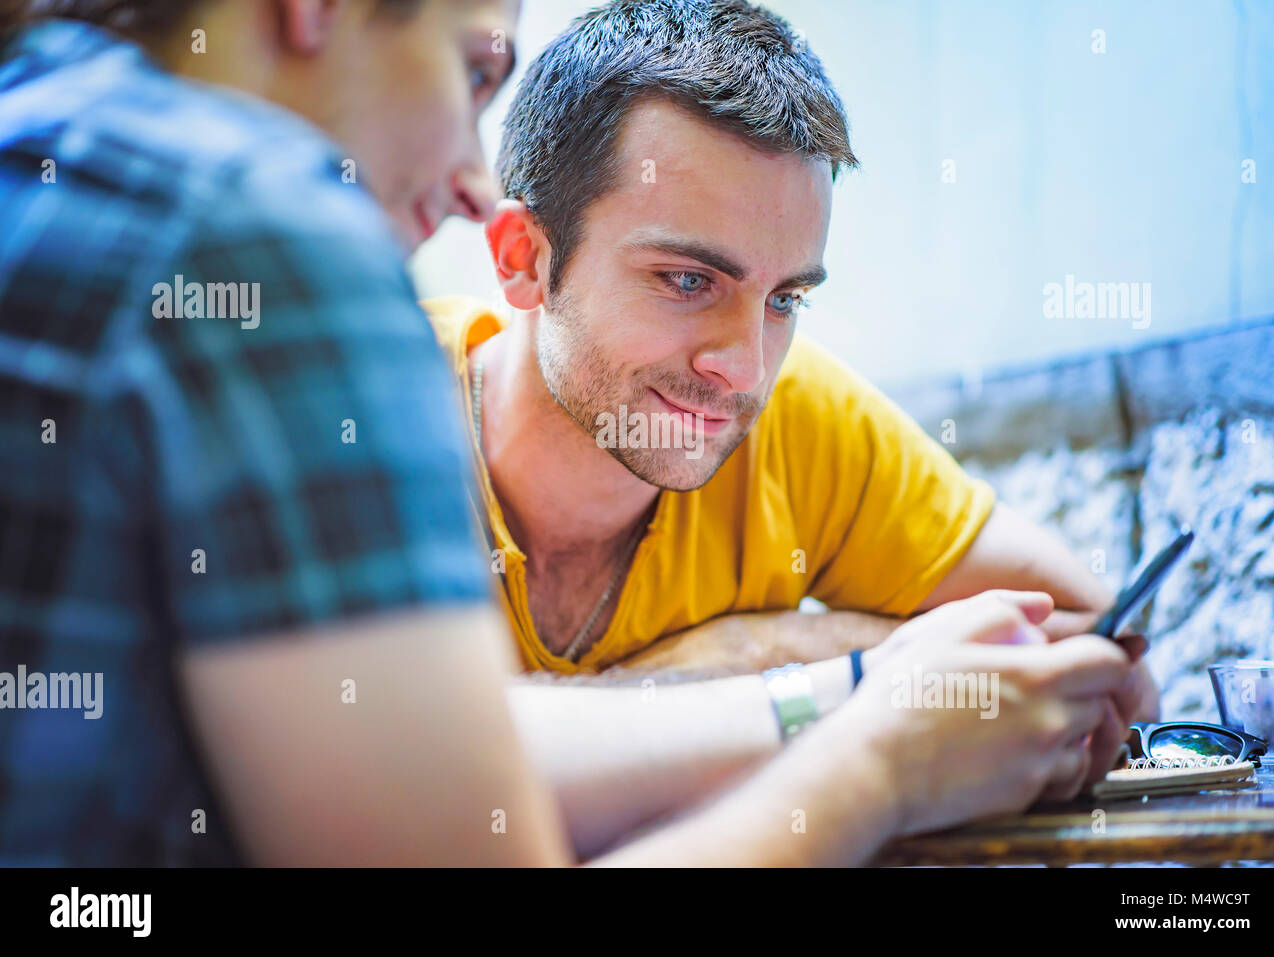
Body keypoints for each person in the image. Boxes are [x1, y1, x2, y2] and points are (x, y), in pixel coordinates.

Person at [0, 0, 1133, 866]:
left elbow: (1087, 633)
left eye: (787, 298)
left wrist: (818, 676)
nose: (465, 177)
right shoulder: (255, 241)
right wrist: (875, 750)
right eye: (472, 66)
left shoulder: (47, 158)